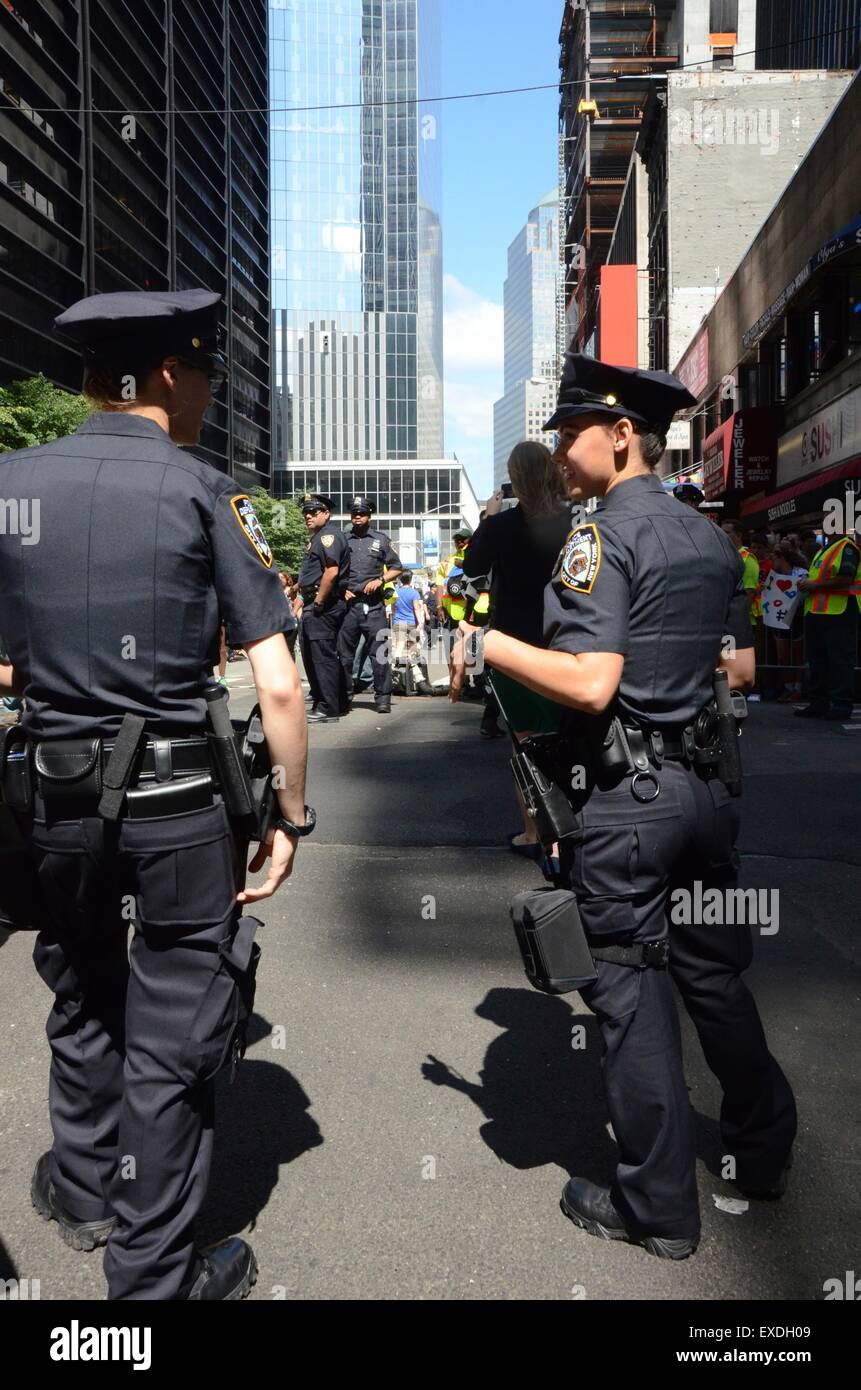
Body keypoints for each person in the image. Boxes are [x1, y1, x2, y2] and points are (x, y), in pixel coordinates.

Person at [0, 289, 314, 1301]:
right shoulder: (201, 491)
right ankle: (149, 1286)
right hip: (177, 810)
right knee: (174, 1033)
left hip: (52, 802)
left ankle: (86, 1193)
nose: (214, 393)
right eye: (209, 373)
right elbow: (276, 681)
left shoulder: (12, 483)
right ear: (170, 375)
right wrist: (289, 818)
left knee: (86, 988)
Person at [450, 350, 796, 1260]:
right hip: (708, 791)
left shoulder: (597, 538)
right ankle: (761, 1150)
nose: (561, 451)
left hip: (629, 802)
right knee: (714, 977)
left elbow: (591, 681)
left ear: (622, 436)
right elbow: (740, 669)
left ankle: (657, 1210)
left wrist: (489, 644)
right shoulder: (712, 539)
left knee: (630, 992)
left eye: (572, 434)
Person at [461, 441, 572, 815]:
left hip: (513, 646)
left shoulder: (500, 526)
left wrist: (486, 520)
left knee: (523, 742)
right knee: (568, 735)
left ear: (514, 480)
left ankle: (535, 829)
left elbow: (472, 569)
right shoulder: (575, 520)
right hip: (566, 642)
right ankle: (572, 820)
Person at [337, 496, 402, 715]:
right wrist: (340, 589)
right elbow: (331, 569)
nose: (357, 517)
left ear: (369, 516)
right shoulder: (342, 540)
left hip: (374, 608)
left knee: (380, 656)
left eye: (361, 513)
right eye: (354, 514)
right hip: (348, 607)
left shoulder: (382, 540)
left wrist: (380, 580)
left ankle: (382, 698)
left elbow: (396, 568)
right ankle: (345, 697)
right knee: (344, 656)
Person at [794, 517, 860, 721]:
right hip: (817, 613)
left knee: (840, 661)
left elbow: (845, 579)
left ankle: (841, 705)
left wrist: (813, 585)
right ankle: (819, 703)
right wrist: (807, 583)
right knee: (818, 661)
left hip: (839, 612)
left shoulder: (847, 548)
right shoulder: (826, 549)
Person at [295, 494, 350, 724]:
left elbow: (331, 571)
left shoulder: (327, 536)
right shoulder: (319, 536)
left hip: (323, 606)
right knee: (316, 655)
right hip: (315, 603)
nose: (308, 515)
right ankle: (330, 701)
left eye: (314, 511)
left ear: (326, 513)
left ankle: (328, 707)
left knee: (321, 657)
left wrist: (318, 601)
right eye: (305, 512)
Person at [391, 572, 435, 696]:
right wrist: (420, 623)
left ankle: (394, 675)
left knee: (398, 648)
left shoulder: (396, 591)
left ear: (400, 579)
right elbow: (416, 608)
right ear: (410, 580)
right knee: (412, 649)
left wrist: (395, 617)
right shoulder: (414, 593)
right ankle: (417, 677)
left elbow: (393, 607)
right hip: (411, 623)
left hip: (398, 623)